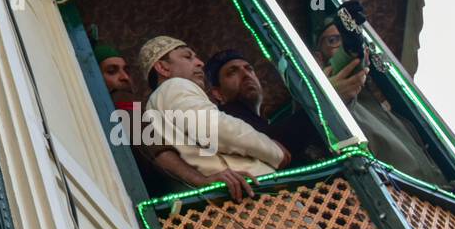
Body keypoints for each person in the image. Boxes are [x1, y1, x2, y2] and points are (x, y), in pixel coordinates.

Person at [96, 42, 254, 202]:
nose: (124, 77)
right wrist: (202, 181)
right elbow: (154, 148)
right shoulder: (121, 99)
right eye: (111, 71)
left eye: (126, 71)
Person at [313, 16, 451, 187]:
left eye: (347, 38)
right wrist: (331, 98)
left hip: (440, 198)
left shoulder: (392, 95)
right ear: (319, 58)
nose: (343, 46)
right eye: (333, 40)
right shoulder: (317, 100)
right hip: (400, 201)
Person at [141, 36, 288, 182]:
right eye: (188, 57)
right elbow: (218, 128)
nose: (200, 63)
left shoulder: (157, 104)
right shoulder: (173, 86)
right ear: (163, 68)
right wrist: (274, 151)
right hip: (251, 188)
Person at [205, 49, 318, 164]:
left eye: (249, 69)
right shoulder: (226, 119)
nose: (246, 74)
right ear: (218, 93)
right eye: (232, 72)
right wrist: (318, 101)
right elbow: (274, 142)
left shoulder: (263, 122)